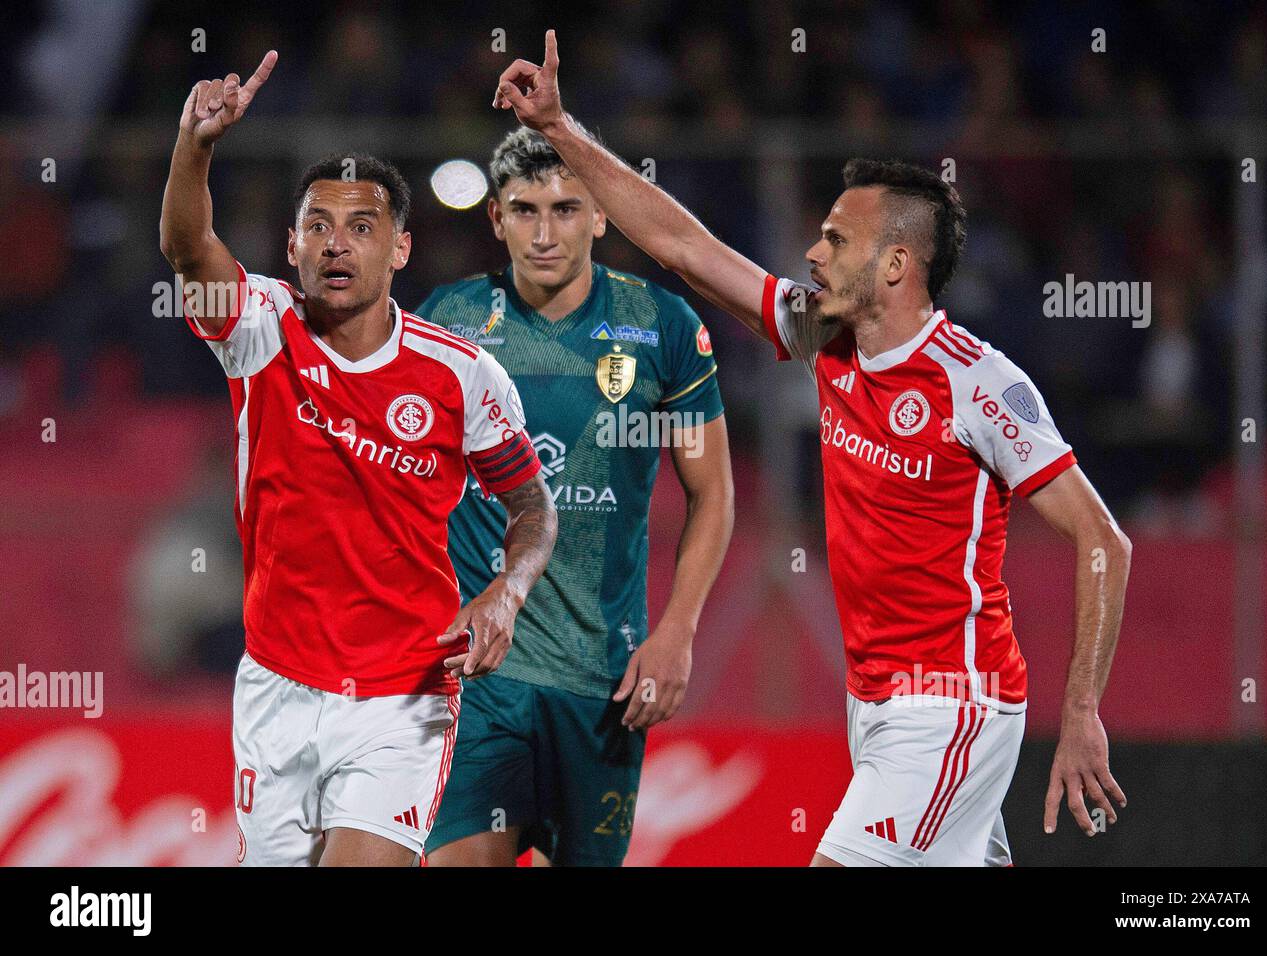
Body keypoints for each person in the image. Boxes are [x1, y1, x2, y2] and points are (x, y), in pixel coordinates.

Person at [492, 31, 1132, 866]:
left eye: (835, 240)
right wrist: (561, 130)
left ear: (897, 265)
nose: (811, 253)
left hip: (949, 707)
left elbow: (1102, 540)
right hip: (873, 706)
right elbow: (686, 249)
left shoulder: (979, 385)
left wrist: (1081, 711)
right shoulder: (826, 337)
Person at [159, 52, 557, 866]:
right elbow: (185, 247)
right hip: (275, 686)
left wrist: (506, 595)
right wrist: (194, 144)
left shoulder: (461, 376)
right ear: (293, 245)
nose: (337, 245)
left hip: (401, 699)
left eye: (362, 227)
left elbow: (532, 509)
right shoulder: (259, 330)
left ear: (401, 250)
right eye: (318, 227)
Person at [416, 125, 734, 866]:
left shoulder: (662, 328)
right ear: (495, 218)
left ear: (601, 215)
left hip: (602, 677)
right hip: (478, 676)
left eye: (566, 209)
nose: (545, 232)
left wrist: (677, 632)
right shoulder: (449, 323)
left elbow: (712, 493)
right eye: (524, 210)